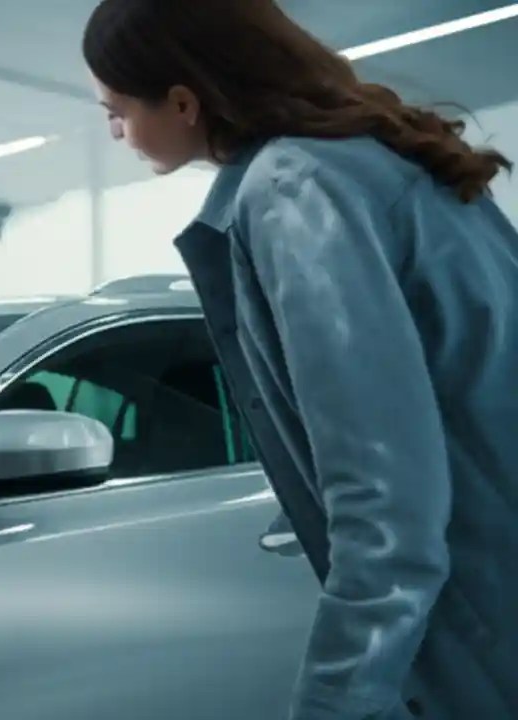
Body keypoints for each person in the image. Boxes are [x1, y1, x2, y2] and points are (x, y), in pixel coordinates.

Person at [82, 1, 517, 719]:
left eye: (116, 109)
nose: (113, 130)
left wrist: (333, 703)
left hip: (483, 613)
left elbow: (387, 511)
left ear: (185, 101)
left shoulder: (293, 191)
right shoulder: (381, 157)